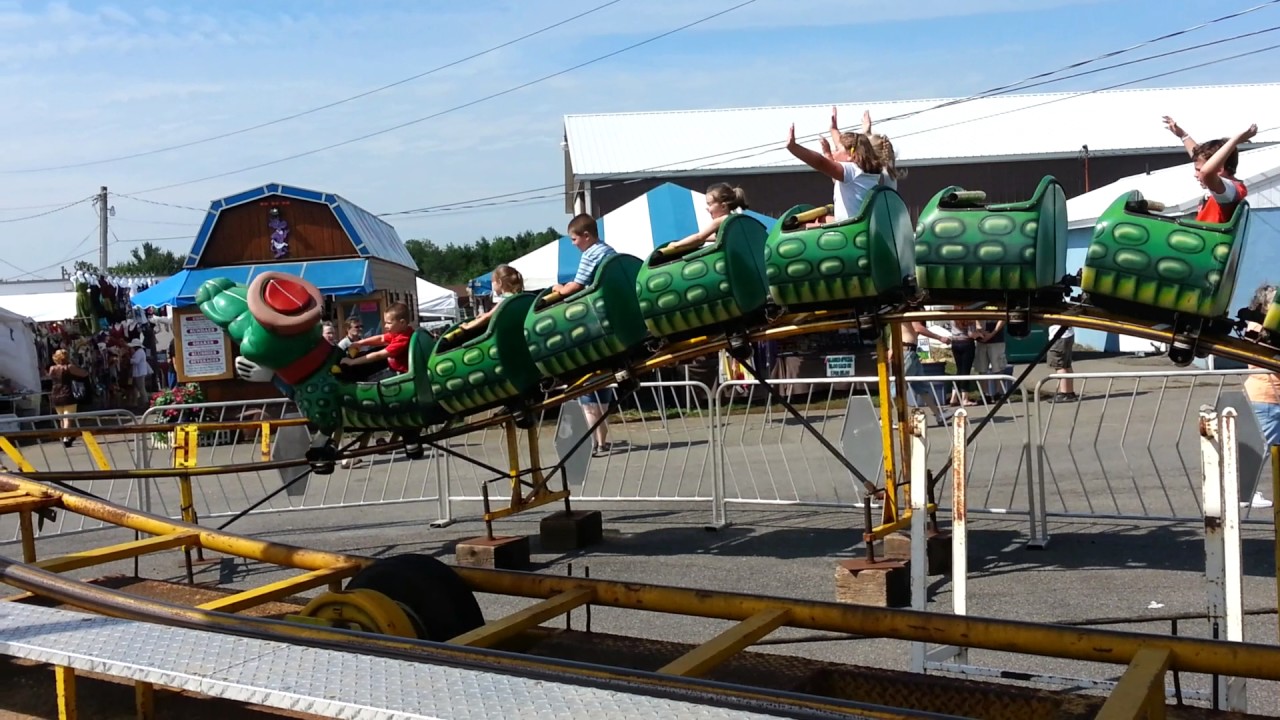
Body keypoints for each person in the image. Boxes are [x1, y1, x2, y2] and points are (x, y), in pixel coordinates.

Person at [553, 214, 618, 456]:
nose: (573, 244)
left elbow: (576, 286)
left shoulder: (590, 254)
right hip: (609, 323)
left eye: (574, 238)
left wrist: (559, 289)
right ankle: (602, 441)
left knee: (589, 398)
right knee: (602, 398)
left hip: (591, 323)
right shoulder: (609, 251)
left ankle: (595, 444)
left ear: (586, 236)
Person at [785, 114, 883, 223]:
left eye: (837, 149)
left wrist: (794, 148)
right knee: (822, 220)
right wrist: (833, 130)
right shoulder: (868, 172)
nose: (834, 152)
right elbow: (834, 176)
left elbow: (821, 163)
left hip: (850, 228)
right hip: (861, 224)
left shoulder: (851, 170)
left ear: (850, 155)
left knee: (802, 226)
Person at [1162, 116, 1257, 223]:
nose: (1196, 174)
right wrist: (1184, 136)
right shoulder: (1227, 189)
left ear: (1218, 170)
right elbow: (1202, 160)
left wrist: (1234, 141)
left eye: (1198, 170)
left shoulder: (1231, 192)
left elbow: (1206, 172)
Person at [1242, 283, 1278, 509]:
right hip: (1266, 395)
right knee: (1260, 448)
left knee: (1263, 448)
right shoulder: (1260, 328)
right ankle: (1244, 493)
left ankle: (1244, 492)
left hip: (1268, 394)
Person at [887, 321, 950, 426]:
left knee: (922, 387)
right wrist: (940, 338)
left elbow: (894, 331)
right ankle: (884, 418)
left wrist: (891, 348)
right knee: (897, 387)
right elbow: (918, 328)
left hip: (910, 352)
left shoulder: (900, 313)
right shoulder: (910, 311)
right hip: (906, 351)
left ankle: (939, 414)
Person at [662, 183, 749, 254]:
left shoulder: (720, 220)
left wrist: (677, 244)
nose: (707, 208)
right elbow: (717, 237)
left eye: (710, 204)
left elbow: (699, 237)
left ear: (723, 206)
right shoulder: (731, 219)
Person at [340, 303, 413, 381]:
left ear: (402, 323)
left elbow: (379, 355)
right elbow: (381, 338)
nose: (385, 326)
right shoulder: (401, 332)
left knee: (366, 383)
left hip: (399, 373)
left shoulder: (403, 339)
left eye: (389, 323)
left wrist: (352, 362)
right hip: (393, 366)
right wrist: (360, 343)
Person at [48, 349, 90, 447]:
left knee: (61, 418)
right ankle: (66, 438)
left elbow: (51, 377)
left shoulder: (52, 368)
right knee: (68, 418)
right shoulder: (69, 367)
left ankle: (63, 436)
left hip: (55, 394)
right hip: (68, 393)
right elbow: (84, 373)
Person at [463, 265, 524, 330]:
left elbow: (487, 317)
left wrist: (468, 326)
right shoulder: (518, 297)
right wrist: (485, 314)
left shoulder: (505, 300)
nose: (492, 284)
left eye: (493, 281)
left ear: (499, 282)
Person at [973, 319, 1009, 400]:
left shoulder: (999, 306)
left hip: (997, 340)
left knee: (998, 368)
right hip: (981, 341)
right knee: (982, 369)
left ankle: (998, 393)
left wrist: (992, 333)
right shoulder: (978, 306)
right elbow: (976, 318)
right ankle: (985, 395)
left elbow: (1002, 318)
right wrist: (980, 331)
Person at [948, 320, 977, 407]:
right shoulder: (969, 317)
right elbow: (971, 334)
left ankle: (954, 396)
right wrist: (980, 334)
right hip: (967, 342)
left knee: (959, 369)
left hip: (955, 343)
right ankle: (965, 398)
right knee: (965, 371)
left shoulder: (953, 317)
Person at [1047, 325, 1077, 403]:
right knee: (1067, 365)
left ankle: (1065, 394)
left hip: (1059, 336)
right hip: (1067, 335)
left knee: (1059, 366)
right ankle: (1070, 392)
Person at [128, 338, 153, 407]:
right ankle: (136, 402)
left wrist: (129, 360)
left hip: (140, 373)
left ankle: (145, 402)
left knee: (141, 388)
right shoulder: (139, 351)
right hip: (138, 372)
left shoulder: (140, 352)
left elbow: (136, 361)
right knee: (136, 387)